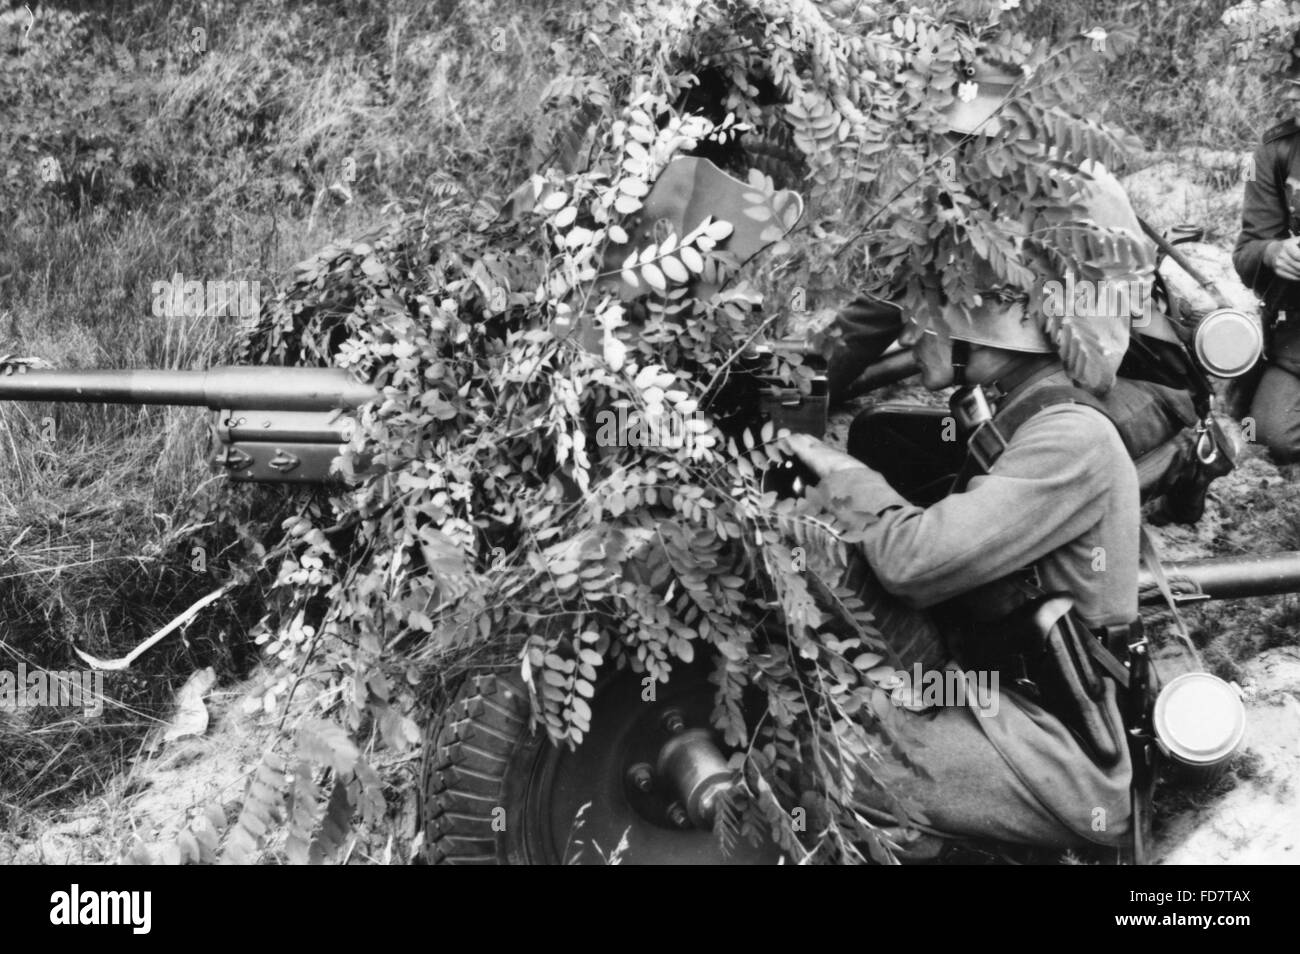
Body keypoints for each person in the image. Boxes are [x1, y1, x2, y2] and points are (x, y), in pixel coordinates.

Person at [782, 303, 1140, 854]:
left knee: (820, 759)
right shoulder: (1025, 413)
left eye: (925, 324)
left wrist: (845, 474)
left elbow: (914, 564)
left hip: (1066, 744)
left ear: (989, 338)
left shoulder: (1071, 437)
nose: (909, 338)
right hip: (994, 685)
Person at [828, 60, 1157, 405]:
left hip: (1068, 377)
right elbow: (884, 302)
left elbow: (1122, 299)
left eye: (966, 138)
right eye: (947, 136)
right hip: (1025, 351)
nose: (949, 150)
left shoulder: (1080, 189)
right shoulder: (960, 183)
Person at [1231, 51, 1300, 463]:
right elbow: (1245, 253)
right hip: (1297, 327)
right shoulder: (1274, 151)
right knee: (1267, 431)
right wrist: (1275, 254)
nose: (1296, 102)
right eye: (1296, 90)